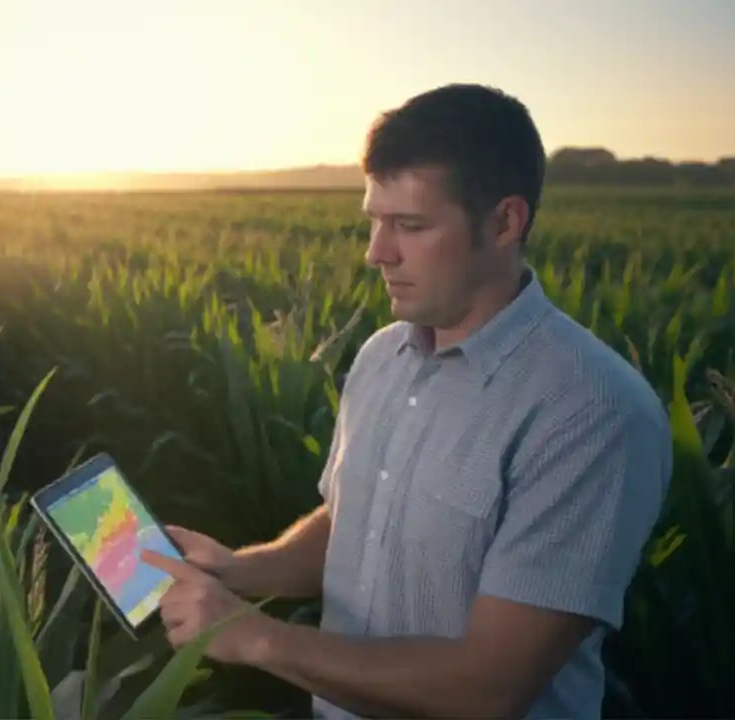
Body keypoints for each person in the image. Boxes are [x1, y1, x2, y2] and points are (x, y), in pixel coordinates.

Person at [140, 83, 672, 719]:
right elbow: (352, 520)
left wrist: (252, 636)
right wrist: (242, 571)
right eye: (374, 220)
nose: (376, 252)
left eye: (411, 226)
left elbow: (488, 690)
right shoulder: (381, 358)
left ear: (505, 222)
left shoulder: (590, 413)